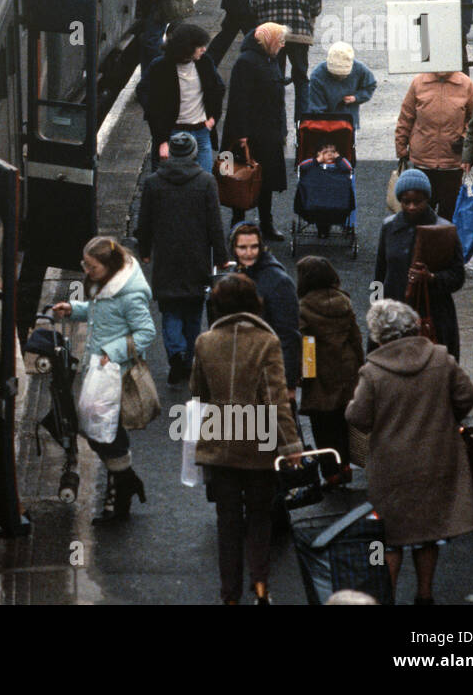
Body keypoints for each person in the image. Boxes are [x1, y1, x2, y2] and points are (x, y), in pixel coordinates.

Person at [346, 299, 473, 604]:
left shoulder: (373, 372)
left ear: (379, 334)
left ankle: (388, 597)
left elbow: (358, 417)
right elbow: (468, 395)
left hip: (391, 464)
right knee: (427, 531)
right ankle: (424, 594)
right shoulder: (440, 358)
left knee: (390, 536)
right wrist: (448, 419)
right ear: (414, 325)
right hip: (436, 456)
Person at [191, 273, 303, 605]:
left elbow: (197, 390)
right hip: (259, 440)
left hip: (219, 437)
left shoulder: (205, 341)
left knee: (227, 521)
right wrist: (292, 446)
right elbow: (275, 399)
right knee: (259, 517)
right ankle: (260, 587)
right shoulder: (266, 342)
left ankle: (229, 596)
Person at [51, 236, 155, 525]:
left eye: (91, 266)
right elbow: (101, 314)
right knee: (99, 428)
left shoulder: (129, 294)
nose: (86, 271)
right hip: (99, 371)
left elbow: (146, 332)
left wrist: (113, 351)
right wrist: (75, 309)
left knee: (104, 430)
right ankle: (125, 482)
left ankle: (121, 491)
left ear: (108, 266)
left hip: (116, 375)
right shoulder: (106, 285)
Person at [135, 131, 227, 385]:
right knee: (193, 309)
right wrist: (221, 256)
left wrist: (144, 251)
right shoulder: (206, 182)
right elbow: (214, 224)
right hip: (196, 256)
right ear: (194, 153)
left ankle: (175, 352)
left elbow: (145, 221)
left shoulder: (154, 182)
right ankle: (188, 359)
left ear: (171, 153)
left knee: (170, 308)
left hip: (166, 256)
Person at [376, 168, 465, 359]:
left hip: (434, 316)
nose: (411, 207)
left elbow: (458, 276)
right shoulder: (389, 228)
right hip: (394, 314)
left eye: (418, 201)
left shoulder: (444, 230)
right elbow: (379, 275)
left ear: (428, 199)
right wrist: (375, 309)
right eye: (406, 201)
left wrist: (432, 278)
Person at [296, 256, 363, 486]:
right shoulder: (344, 301)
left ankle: (330, 472)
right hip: (346, 368)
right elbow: (355, 337)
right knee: (344, 422)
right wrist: (359, 365)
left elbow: (307, 346)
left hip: (320, 372)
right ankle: (345, 465)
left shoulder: (304, 307)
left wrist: (305, 376)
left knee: (322, 425)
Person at [221, 22, 289, 240]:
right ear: (268, 41)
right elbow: (239, 100)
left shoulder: (270, 58)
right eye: (279, 40)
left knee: (265, 179)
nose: (282, 45)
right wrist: (241, 133)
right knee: (240, 177)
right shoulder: (246, 62)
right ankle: (238, 221)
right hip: (249, 134)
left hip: (269, 132)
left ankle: (266, 223)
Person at [250, 0, 322, 123]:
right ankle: (303, 127)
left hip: (272, 37)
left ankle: (278, 127)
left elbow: (253, 6)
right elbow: (316, 7)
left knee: (275, 80)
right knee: (301, 79)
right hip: (298, 36)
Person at [229, 221, 302, 393]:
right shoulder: (238, 274)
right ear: (233, 249)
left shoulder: (278, 282)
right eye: (243, 248)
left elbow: (289, 336)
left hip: (269, 375)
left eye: (254, 247)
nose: (248, 253)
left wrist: (288, 384)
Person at [143, 22, 224, 173]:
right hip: (174, 134)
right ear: (186, 47)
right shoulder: (160, 67)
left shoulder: (205, 62)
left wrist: (213, 119)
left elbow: (218, 89)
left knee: (205, 179)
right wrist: (162, 141)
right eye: (199, 46)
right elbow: (151, 105)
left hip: (201, 132)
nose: (204, 49)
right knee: (172, 185)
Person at [394, 69, 473, 219]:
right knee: (421, 212)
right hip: (423, 161)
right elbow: (406, 117)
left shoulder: (466, 84)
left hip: (452, 163)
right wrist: (401, 147)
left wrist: (464, 139)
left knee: (449, 213)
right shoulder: (419, 82)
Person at [305, 42, 377, 127]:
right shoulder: (318, 75)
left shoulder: (359, 69)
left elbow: (370, 85)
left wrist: (356, 97)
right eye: (335, 75)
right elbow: (316, 107)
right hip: (324, 121)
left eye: (343, 75)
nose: (339, 78)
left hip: (349, 121)